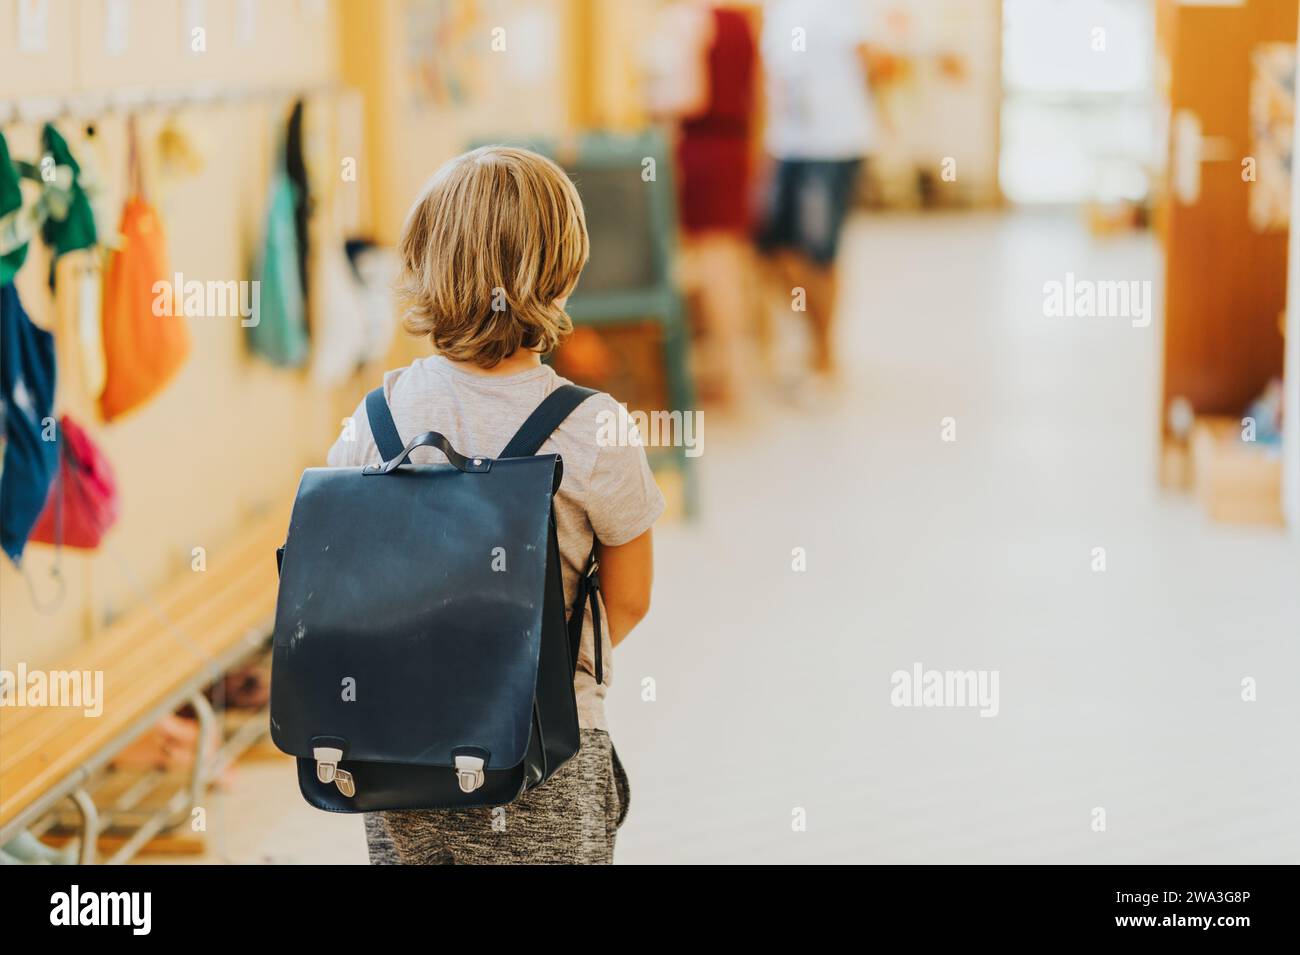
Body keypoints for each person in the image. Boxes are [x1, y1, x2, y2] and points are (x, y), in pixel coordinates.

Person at [326, 146, 664, 864]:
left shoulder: (379, 416)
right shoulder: (592, 424)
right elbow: (629, 600)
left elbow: (340, 568)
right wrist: (516, 671)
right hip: (547, 750)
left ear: (423, 259)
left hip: (403, 755)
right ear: (563, 266)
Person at [756, 0, 882, 385]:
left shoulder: (839, 7)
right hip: (787, 145)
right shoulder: (777, 12)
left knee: (819, 254)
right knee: (769, 250)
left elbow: (873, 61)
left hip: (833, 145)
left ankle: (824, 356)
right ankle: (813, 338)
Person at [644, 0, 757, 407]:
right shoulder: (742, 20)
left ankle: (727, 379)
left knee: (711, 267)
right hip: (734, 147)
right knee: (728, 260)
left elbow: (689, 96)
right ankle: (734, 371)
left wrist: (651, 99)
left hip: (700, 149)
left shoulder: (687, 18)